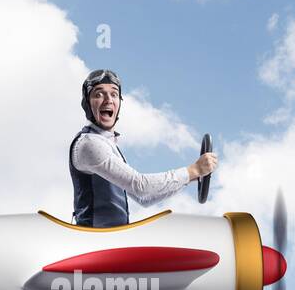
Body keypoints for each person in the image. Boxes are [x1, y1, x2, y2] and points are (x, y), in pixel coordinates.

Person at [70, 69, 217, 227]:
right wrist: (193, 170)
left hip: (112, 242)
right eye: (99, 94)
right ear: (87, 103)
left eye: (114, 94)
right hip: (97, 243)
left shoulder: (107, 144)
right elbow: (141, 187)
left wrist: (190, 177)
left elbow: (144, 198)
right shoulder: (90, 144)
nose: (108, 100)